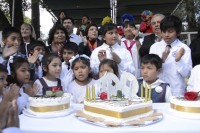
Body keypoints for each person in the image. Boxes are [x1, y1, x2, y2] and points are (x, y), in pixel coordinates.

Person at [149, 15, 192, 96]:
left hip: (176, 90)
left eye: (170, 31)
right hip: (158, 89)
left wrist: (179, 60)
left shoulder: (184, 48)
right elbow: (150, 69)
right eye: (164, 31)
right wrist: (161, 61)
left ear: (178, 32)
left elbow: (186, 74)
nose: (166, 35)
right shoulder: (154, 47)